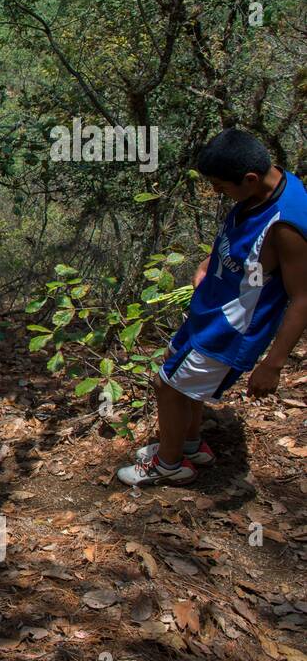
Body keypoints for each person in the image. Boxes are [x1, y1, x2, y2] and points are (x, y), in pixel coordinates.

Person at [117, 129, 307, 486]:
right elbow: (242, 245)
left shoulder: (287, 226)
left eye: (221, 186)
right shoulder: (266, 181)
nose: (217, 193)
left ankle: (169, 465)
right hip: (209, 309)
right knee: (182, 383)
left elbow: (303, 297)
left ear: (249, 179)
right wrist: (209, 261)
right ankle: (188, 443)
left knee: (167, 387)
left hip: (231, 329)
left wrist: (273, 364)